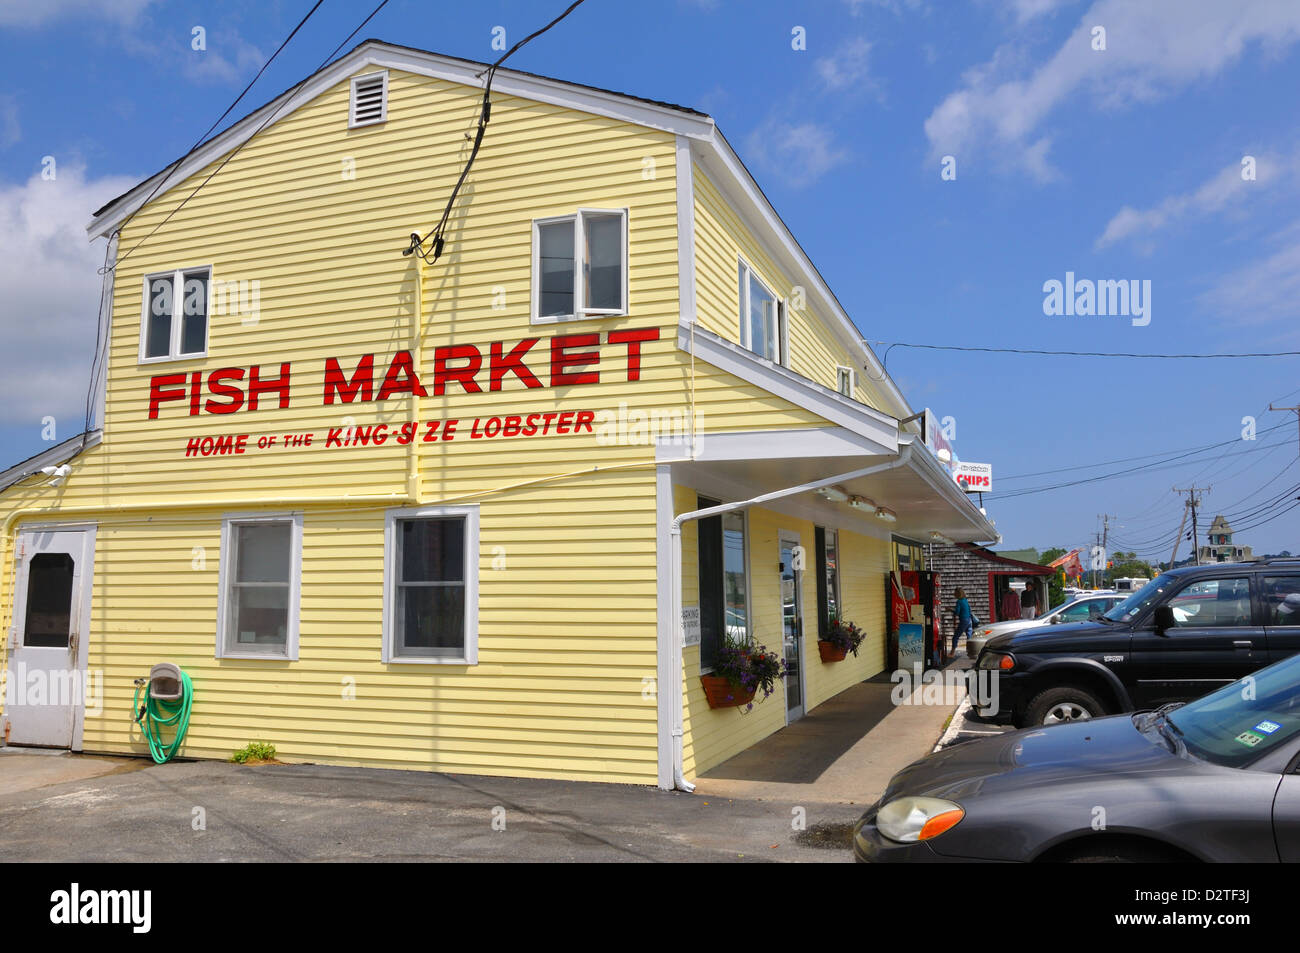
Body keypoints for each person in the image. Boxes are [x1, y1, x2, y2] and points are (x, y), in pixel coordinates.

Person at [952, 587, 973, 661]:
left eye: (954, 593)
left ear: (957, 594)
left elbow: (957, 612)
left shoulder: (959, 601)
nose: (953, 594)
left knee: (955, 636)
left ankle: (952, 653)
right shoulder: (965, 600)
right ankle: (971, 653)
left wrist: (950, 609)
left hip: (964, 620)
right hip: (969, 620)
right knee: (969, 637)